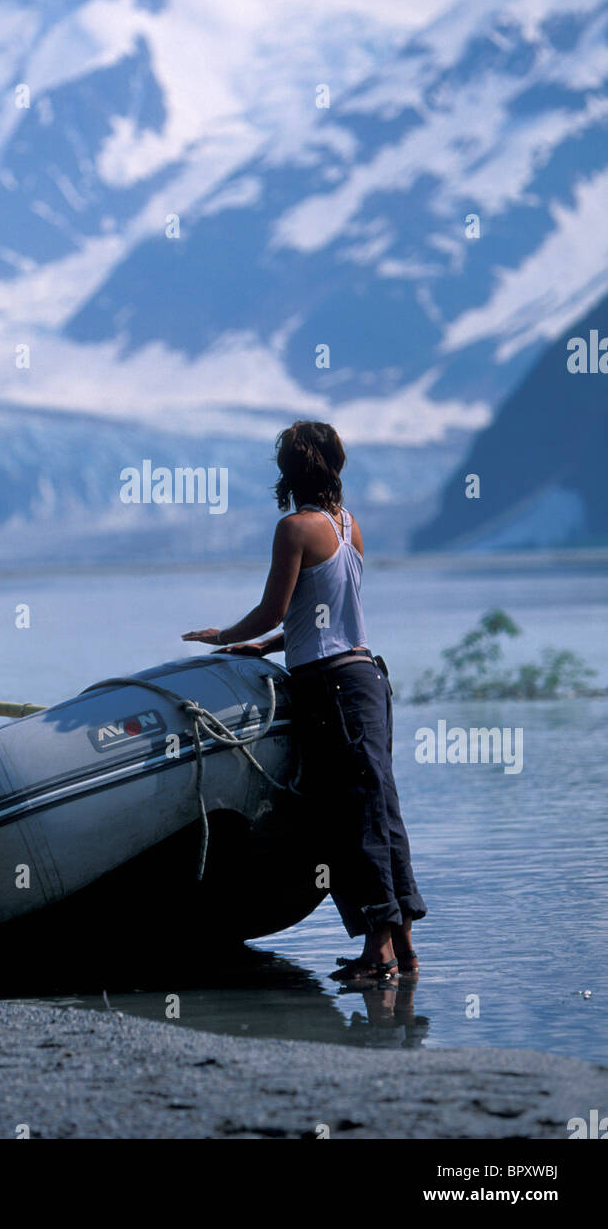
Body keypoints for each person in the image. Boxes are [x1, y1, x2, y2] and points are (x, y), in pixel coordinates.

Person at [182, 420, 426, 982]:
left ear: (289, 472)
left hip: (330, 688)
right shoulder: (350, 526)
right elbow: (324, 617)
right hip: (366, 677)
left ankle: (378, 952)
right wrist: (268, 645)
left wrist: (223, 637)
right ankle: (403, 945)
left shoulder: (294, 529)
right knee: (380, 808)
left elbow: (275, 609)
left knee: (349, 814)